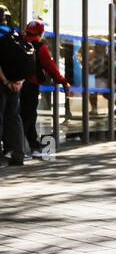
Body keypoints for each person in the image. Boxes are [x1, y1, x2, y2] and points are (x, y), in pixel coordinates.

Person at [19, 21, 71, 160]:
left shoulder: (18, 42)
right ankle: (19, 150)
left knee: (24, 116)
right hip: (30, 85)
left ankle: (34, 147)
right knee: (27, 117)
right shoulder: (40, 47)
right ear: (41, 33)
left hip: (14, 84)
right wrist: (63, 81)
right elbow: (51, 67)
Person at [0, 9, 32, 167]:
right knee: (14, 118)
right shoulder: (15, 34)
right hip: (16, 85)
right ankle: (19, 155)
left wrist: (6, 82)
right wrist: (19, 82)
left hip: (3, 83)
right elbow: (25, 59)